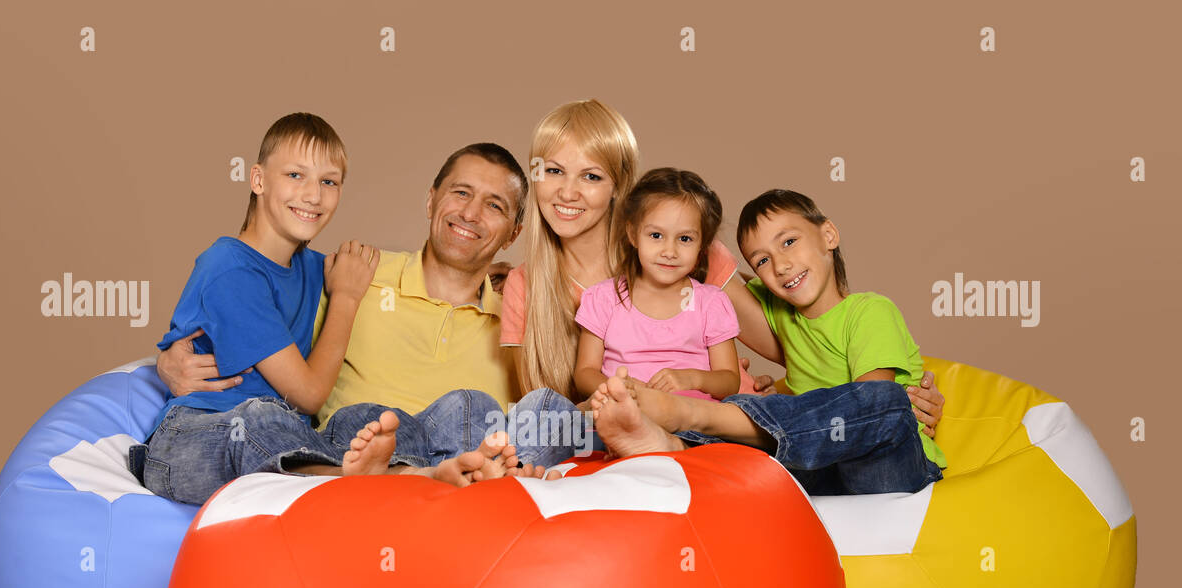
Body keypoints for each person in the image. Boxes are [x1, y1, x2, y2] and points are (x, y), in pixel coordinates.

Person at [502, 99, 947, 447]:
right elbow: (550, 406)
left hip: (728, 419)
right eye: (553, 171)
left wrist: (891, 396)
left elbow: (798, 344)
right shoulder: (526, 286)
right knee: (539, 417)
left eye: (592, 177)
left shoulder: (688, 251)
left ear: (620, 187)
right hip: (617, 420)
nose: (567, 191)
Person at [137, 114, 513, 506]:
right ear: (258, 180)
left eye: (328, 182)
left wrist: (501, 278)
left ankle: (394, 480)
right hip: (194, 439)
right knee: (257, 417)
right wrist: (347, 298)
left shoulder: (316, 268)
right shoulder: (228, 266)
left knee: (374, 415)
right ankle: (376, 479)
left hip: (295, 441)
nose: (313, 195)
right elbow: (310, 395)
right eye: (295, 176)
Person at [589, 188, 946, 496]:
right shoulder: (779, 310)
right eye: (762, 261)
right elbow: (708, 263)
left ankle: (690, 415)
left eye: (789, 242)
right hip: (819, 470)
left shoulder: (870, 311)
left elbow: (864, 408)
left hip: (887, 465)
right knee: (749, 406)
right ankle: (674, 444)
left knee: (884, 400)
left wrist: (782, 407)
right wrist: (779, 400)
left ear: (829, 235)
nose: (781, 265)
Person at [572, 167, 740, 405]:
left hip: (691, 418)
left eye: (685, 239)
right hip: (625, 408)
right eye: (656, 236)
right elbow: (584, 373)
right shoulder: (603, 298)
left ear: (702, 246)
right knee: (553, 410)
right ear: (633, 234)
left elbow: (730, 381)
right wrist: (619, 387)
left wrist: (692, 379)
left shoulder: (710, 303)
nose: (669, 252)